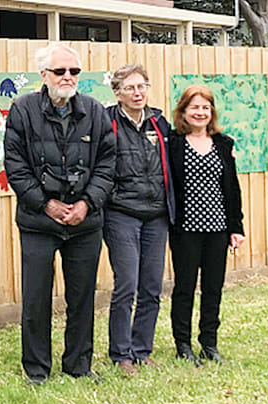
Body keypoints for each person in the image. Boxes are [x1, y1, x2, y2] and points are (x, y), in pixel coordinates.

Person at [3, 43, 115, 385]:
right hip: (38, 221)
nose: (68, 77)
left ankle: (78, 365)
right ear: (44, 75)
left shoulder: (95, 112)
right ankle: (37, 370)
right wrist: (45, 203)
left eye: (74, 71)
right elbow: (15, 166)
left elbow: (108, 164)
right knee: (36, 298)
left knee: (82, 298)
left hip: (85, 222)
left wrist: (87, 203)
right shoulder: (21, 110)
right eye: (60, 71)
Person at [103, 64, 175, 375]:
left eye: (142, 86)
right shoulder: (106, 122)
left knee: (151, 286)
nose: (137, 93)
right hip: (121, 214)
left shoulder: (160, 123)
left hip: (157, 215)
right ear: (117, 93)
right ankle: (121, 354)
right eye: (130, 88)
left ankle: (142, 350)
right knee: (127, 284)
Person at [167, 85, 245, 366]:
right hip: (185, 229)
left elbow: (232, 189)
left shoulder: (224, 144)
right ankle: (183, 344)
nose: (200, 112)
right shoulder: (173, 143)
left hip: (218, 228)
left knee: (213, 288)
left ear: (211, 112)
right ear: (183, 112)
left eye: (205, 107)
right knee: (184, 287)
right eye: (194, 107)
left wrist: (236, 227)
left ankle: (209, 343)